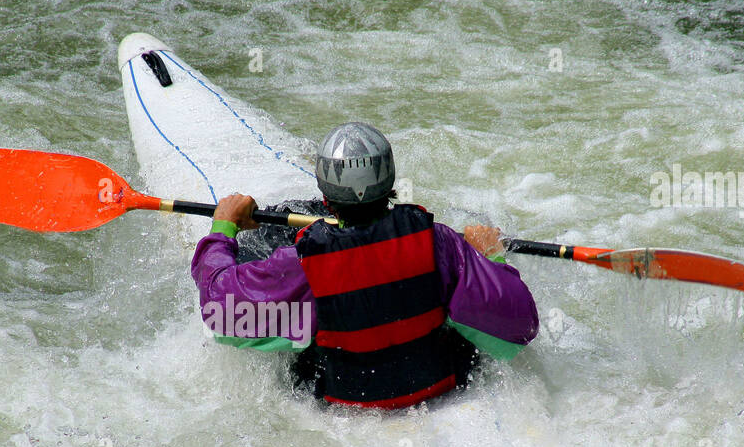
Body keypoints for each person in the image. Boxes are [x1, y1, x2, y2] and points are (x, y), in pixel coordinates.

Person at [190, 122, 539, 409]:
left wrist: (223, 227)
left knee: (302, 324)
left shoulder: (302, 264)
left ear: (325, 198)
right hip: (441, 386)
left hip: (346, 402)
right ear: (390, 185)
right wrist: (491, 258)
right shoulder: (440, 242)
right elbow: (519, 325)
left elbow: (221, 315)